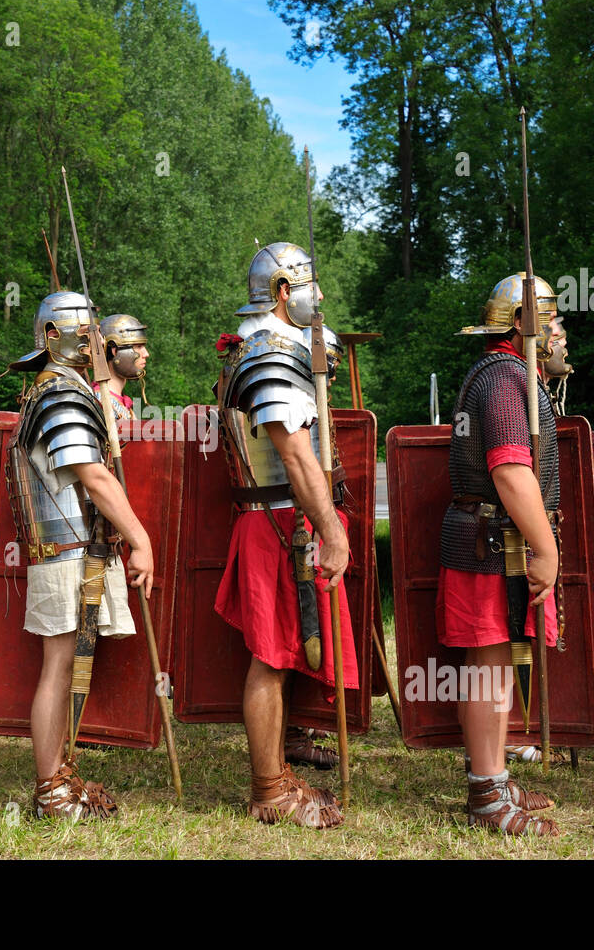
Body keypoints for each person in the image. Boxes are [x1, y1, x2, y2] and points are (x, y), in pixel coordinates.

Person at [213, 242, 357, 829]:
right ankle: (268, 789)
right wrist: (330, 530)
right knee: (269, 658)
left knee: (285, 653)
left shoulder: (273, 349)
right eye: (308, 285)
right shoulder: (267, 353)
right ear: (279, 291)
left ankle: (278, 773)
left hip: (285, 519)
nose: (318, 297)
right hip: (278, 520)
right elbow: (296, 458)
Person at [5, 290, 154, 820]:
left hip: (77, 548)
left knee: (69, 667)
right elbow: (92, 476)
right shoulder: (59, 393)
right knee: (58, 667)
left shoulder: (61, 389)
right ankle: (50, 788)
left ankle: (59, 773)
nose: (94, 341)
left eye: (96, 333)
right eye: (85, 332)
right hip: (65, 550)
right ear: (52, 337)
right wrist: (141, 538)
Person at [437, 272, 562, 836]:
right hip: (494, 539)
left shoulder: (502, 372)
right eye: (552, 318)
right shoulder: (507, 379)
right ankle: (486, 795)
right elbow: (511, 472)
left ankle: (495, 774)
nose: (559, 329)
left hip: (492, 537)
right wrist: (546, 547)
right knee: (489, 666)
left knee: (497, 663)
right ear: (523, 323)